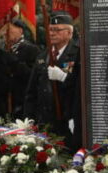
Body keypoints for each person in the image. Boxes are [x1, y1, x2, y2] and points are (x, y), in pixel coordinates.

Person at [38, 11, 82, 150]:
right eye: (50, 30)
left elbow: (79, 85)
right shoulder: (43, 55)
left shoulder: (78, 53)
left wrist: (64, 77)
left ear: (69, 33)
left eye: (57, 30)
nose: (52, 33)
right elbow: (32, 90)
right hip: (44, 121)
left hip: (66, 118)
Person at [5, 18, 42, 118]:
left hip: (23, 100)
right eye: (6, 31)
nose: (7, 33)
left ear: (20, 30)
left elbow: (33, 75)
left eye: (11, 30)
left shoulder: (31, 49)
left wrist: (14, 62)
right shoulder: (4, 49)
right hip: (7, 101)